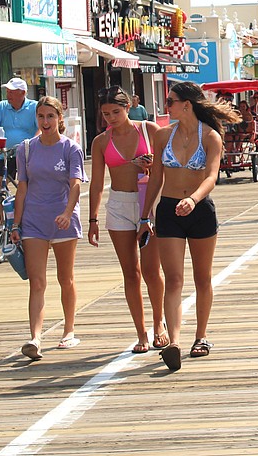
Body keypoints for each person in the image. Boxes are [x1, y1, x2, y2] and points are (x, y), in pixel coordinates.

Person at [141, 81, 239, 372]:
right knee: (173, 279)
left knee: (202, 278)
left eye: (170, 101)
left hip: (200, 210)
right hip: (169, 210)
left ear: (187, 105)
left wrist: (194, 199)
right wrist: (145, 216)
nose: (166, 106)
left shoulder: (210, 137)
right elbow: (156, 178)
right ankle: (174, 342)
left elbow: (211, 177)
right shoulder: (163, 136)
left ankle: (201, 336)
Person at [88, 85, 167, 355]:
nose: (111, 118)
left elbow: (169, 165)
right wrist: (93, 219)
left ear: (128, 108)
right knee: (130, 273)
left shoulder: (149, 130)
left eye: (116, 112)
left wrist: (152, 164)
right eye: (106, 114)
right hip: (119, 204)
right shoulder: (101, 141)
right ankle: (141, 333)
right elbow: (96, 183)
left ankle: (159, 324)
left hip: (148, 202)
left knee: (151, 270)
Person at [12, 97, 87, 361]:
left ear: (59, 118)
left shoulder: (71, 148)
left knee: (65, 278)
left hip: (63, 220)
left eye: (50, 116)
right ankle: (35, 337)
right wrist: (16, 223)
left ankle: (69, 330)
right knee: (37, 281)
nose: (45, 122)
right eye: (41, 116)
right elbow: (22, 188)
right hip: (34, 220)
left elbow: (75, 184)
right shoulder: (26, 149)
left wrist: (67, 213)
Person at [0, 77, 38, 177]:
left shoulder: (35, 107)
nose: (8, 95)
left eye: (11, 92)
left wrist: (32, 143)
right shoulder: (2, 106)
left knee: (29, 181)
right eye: (7, 92)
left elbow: (41, 129)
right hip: (5, 154)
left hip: (28, 155)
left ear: (23, 93)